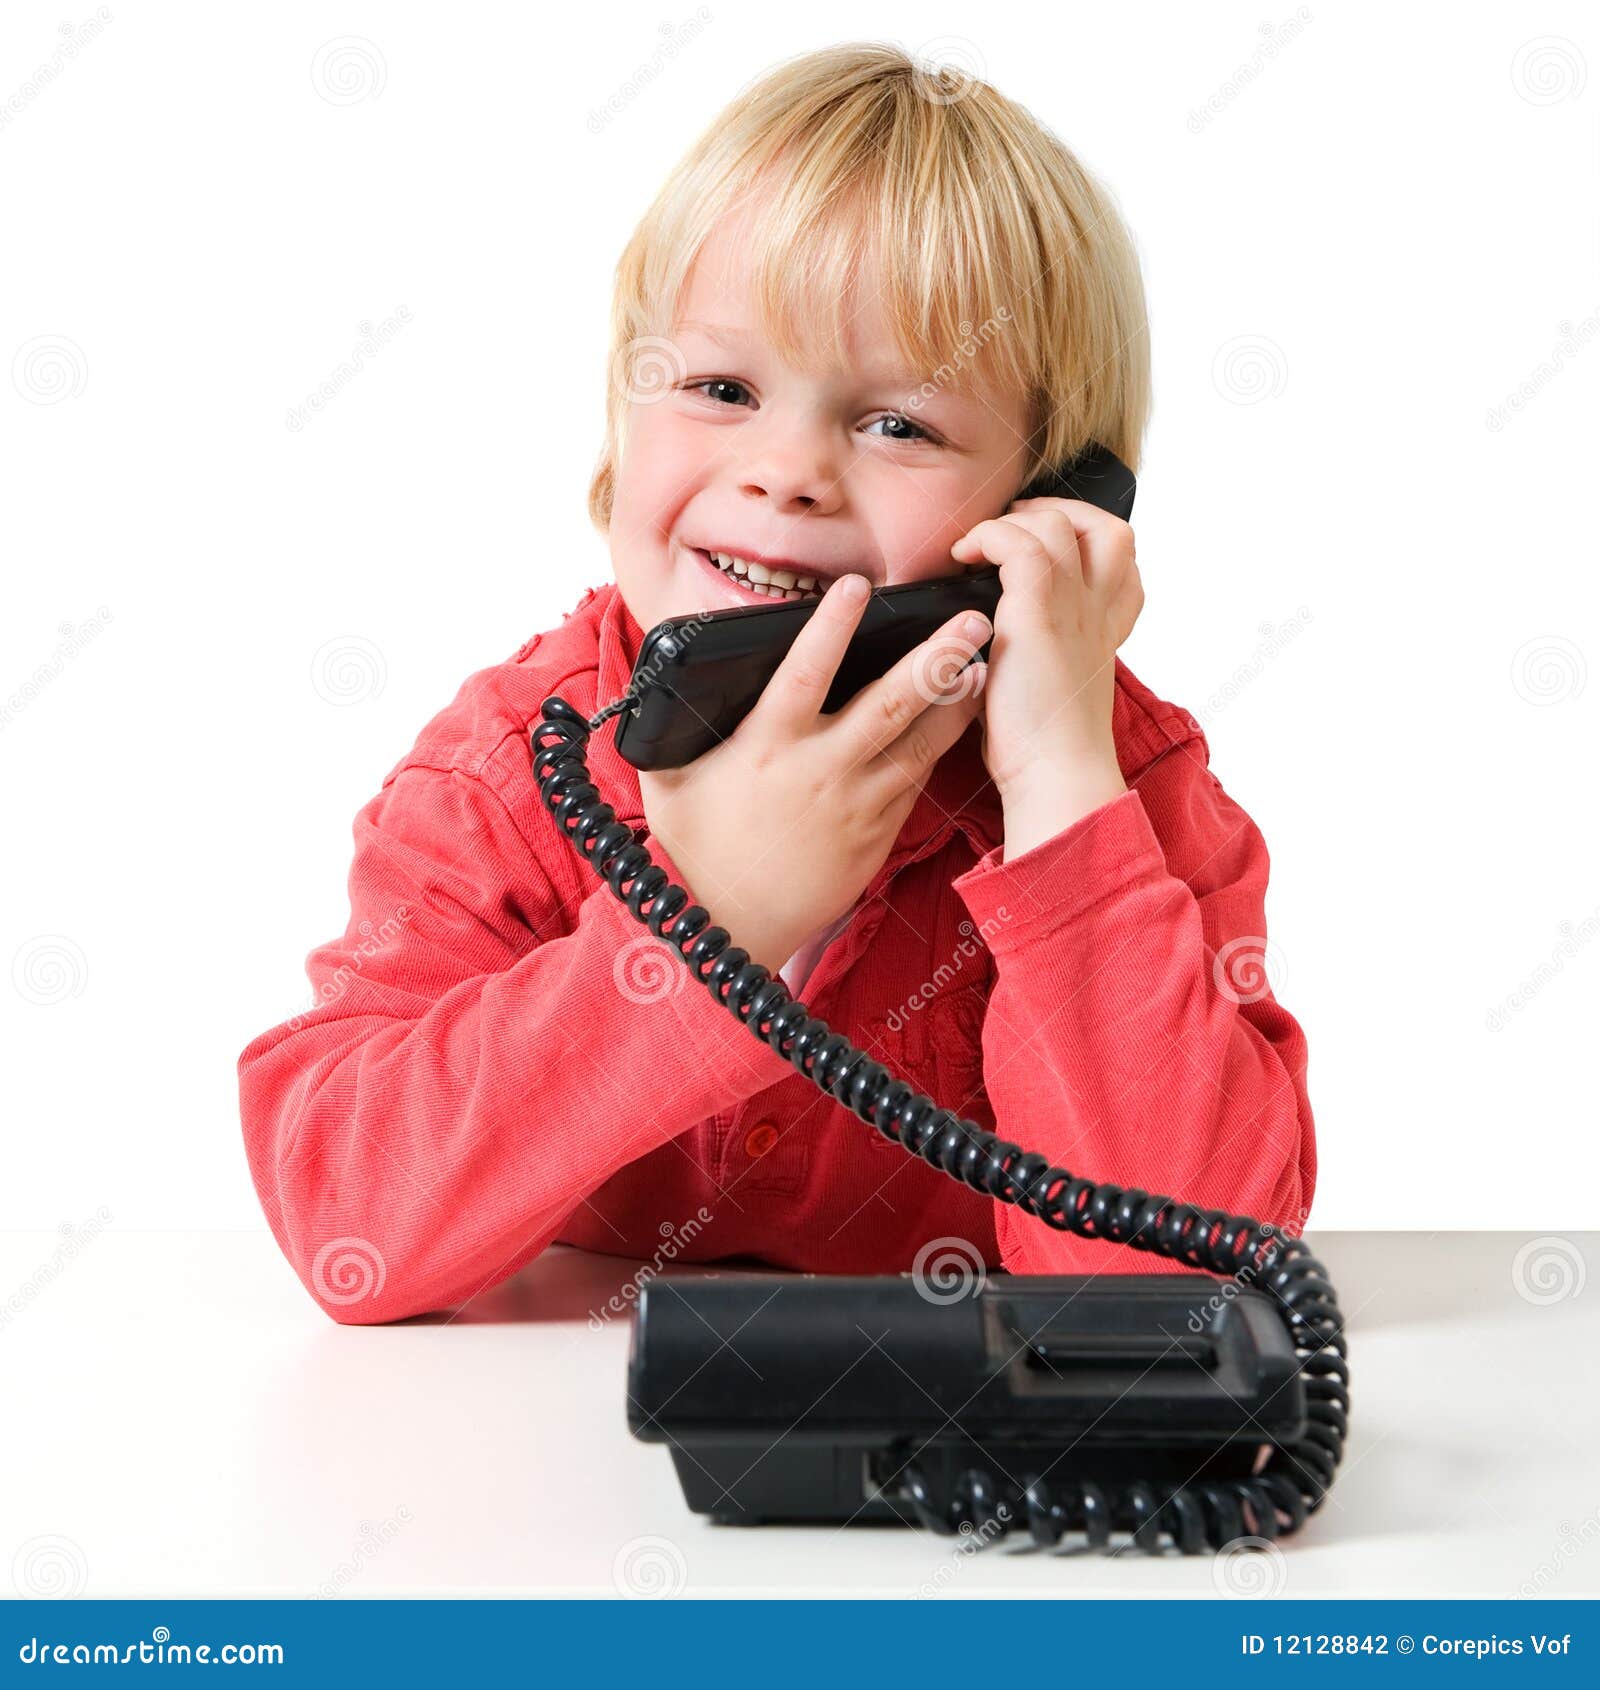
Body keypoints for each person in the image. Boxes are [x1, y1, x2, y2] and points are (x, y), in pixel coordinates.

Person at [238, 42, 1315, 1325]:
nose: (786, 470)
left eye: (899, 423)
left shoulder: (1119, 787)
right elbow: (349, 1219)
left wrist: (1056, 783)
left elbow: (1177, 1288)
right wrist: (713, 915)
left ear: (1049, 507)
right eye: (720, 388)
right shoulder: (508, 770)